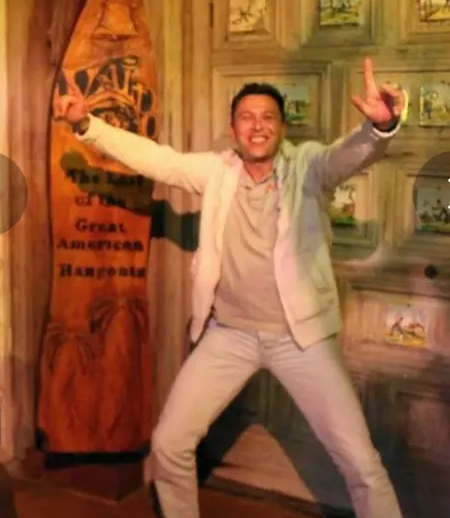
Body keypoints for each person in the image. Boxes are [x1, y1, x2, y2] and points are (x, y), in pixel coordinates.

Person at [54, 57, 405, 518]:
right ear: (232, 128)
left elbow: (347, 154)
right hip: (229, 334)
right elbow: (158, 160)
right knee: (170, 443)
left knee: (361, 463)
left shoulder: (308, 166)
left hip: (301, 339)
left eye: (268, 117)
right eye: (246, 117)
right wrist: (88, 125)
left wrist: (379, 129)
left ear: (282, 127)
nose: (257, 127)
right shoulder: (217, 171)